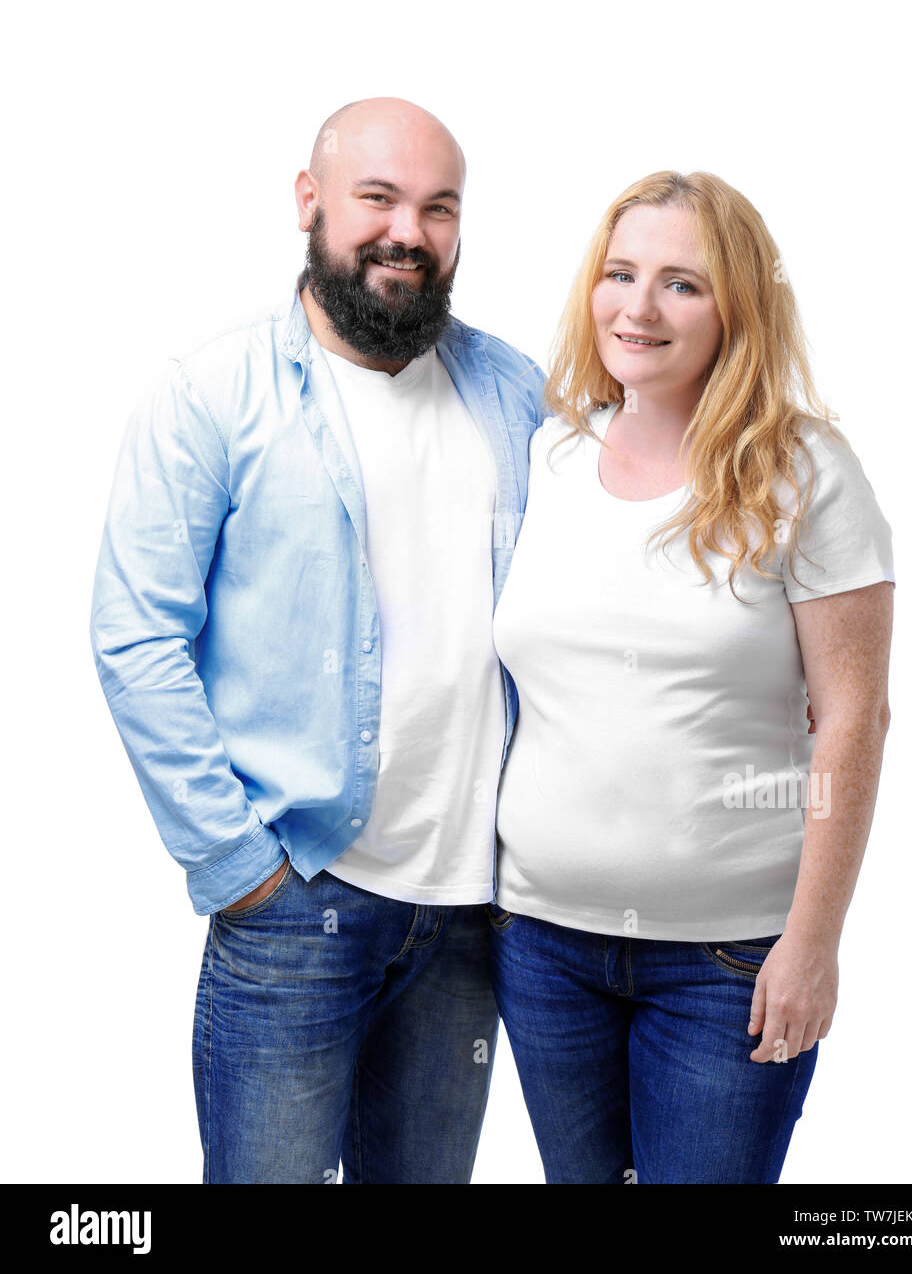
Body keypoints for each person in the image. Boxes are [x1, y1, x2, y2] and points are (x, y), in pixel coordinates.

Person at [89, 97, 547, 1184]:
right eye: (378, 198)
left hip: (472, 913)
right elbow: (135, 633)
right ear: (310, 202)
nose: (410, 232)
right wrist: (236, 863)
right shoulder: (211, 394)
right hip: (296, 899)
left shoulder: (517, 395)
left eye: (439, 209)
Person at [487, 170, 895, 1184]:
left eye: (681, 283)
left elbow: (853, 719)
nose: (637, 306)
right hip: (541, 942)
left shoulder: (806, 474)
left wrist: (809, 944)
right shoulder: (548, 458)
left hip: (727, 962)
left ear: (737, 307)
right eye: (619, 274)